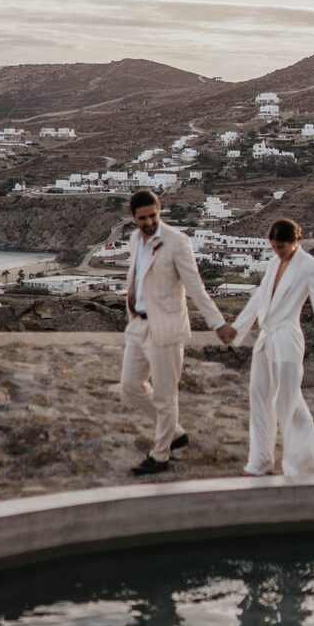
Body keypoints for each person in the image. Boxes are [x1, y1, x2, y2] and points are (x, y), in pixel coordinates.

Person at [121, 189, 235, 477]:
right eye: (142, 218)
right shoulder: (135, 240)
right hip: (139, 325)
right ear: (133, 218)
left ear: (160, 212)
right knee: (130, 387)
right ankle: (175, 432)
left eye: (153, 216)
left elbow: (196, 287)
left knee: (165, 395)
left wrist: (218, 323)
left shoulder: (177, 243)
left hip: (167, 328)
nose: (148, 222)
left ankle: (160, 455)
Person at [228, 217, 314, 477]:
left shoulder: (308, 265)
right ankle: (259, 461)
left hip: (288, 340)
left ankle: (309, 463)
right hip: (266, 339)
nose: (277, 251)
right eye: (273, 247)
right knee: (258, 396)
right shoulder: (273, 263)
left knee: (288, 402)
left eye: (281, 247)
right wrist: (237, 328)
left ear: (295, 242)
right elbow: (260, 298)